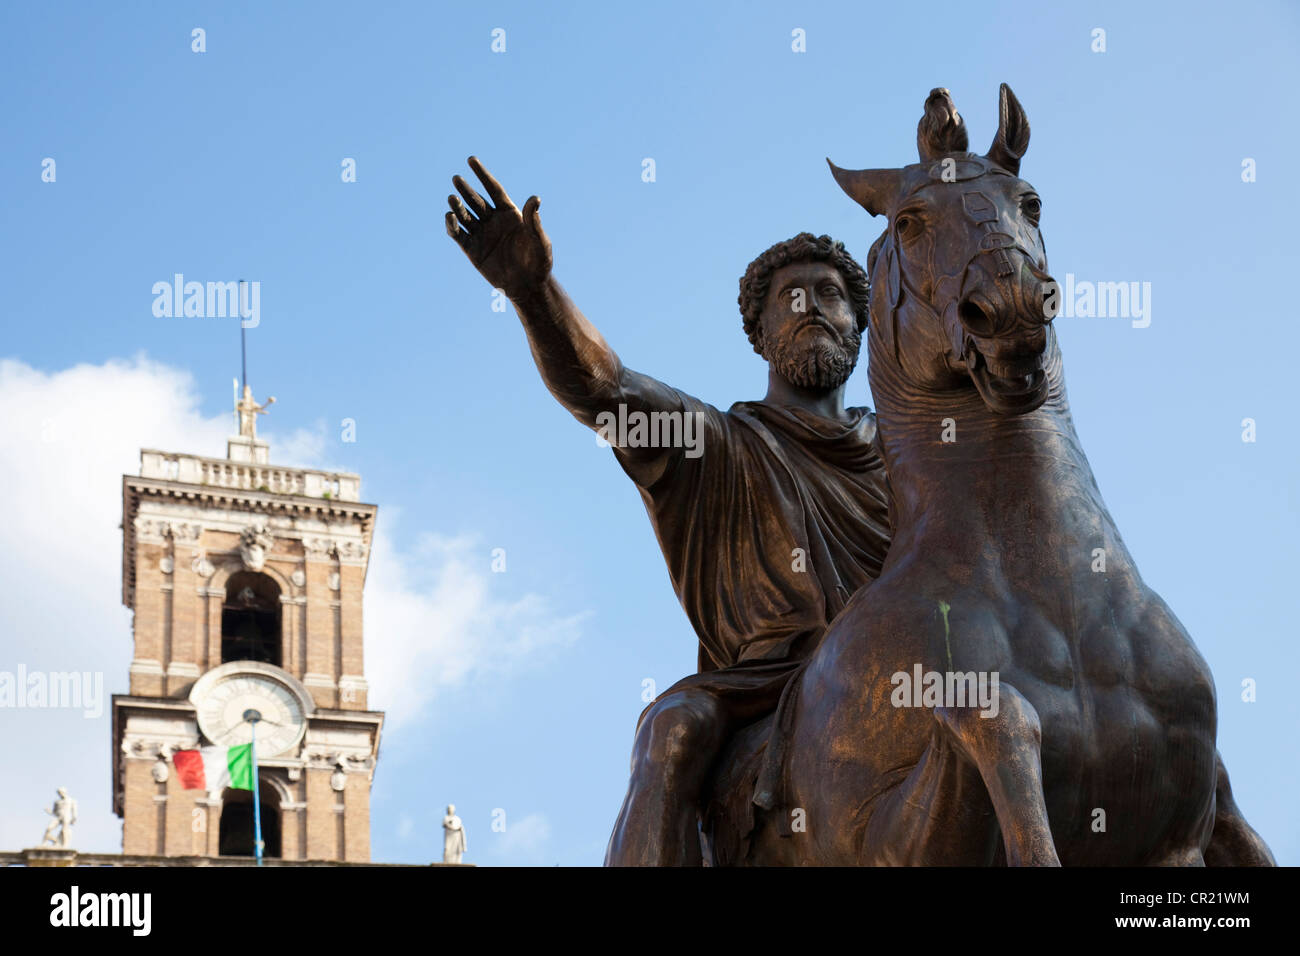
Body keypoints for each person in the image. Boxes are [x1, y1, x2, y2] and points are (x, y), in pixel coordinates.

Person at [445, 158, 891, 865]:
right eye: (791, 297)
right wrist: (533, 293)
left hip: (905, 663)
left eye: (830, 295)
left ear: (859, 323)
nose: (811, 307)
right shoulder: (712, 445)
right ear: (761, 331)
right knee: (672, 728)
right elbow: (604, 389)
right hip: (767, 682)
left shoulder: (914, 452)